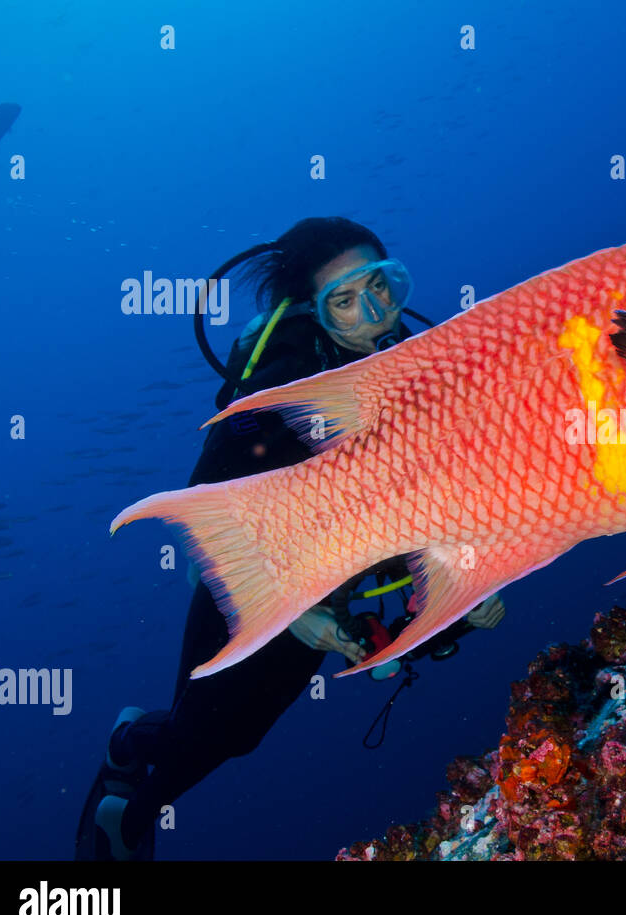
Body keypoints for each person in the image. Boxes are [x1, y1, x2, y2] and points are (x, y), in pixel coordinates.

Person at [75, 217, 505, 861]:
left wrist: (464, 593)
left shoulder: (419, 368)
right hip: (244, 580)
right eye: (344, 300)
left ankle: (132, 781)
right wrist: (300, 615)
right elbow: (207, 510)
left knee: (240, 735)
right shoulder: (284, 382)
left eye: (382, 287)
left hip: (328, 580)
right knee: (203, 729)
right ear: (313, 310)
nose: (374, 313)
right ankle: (128, 787)